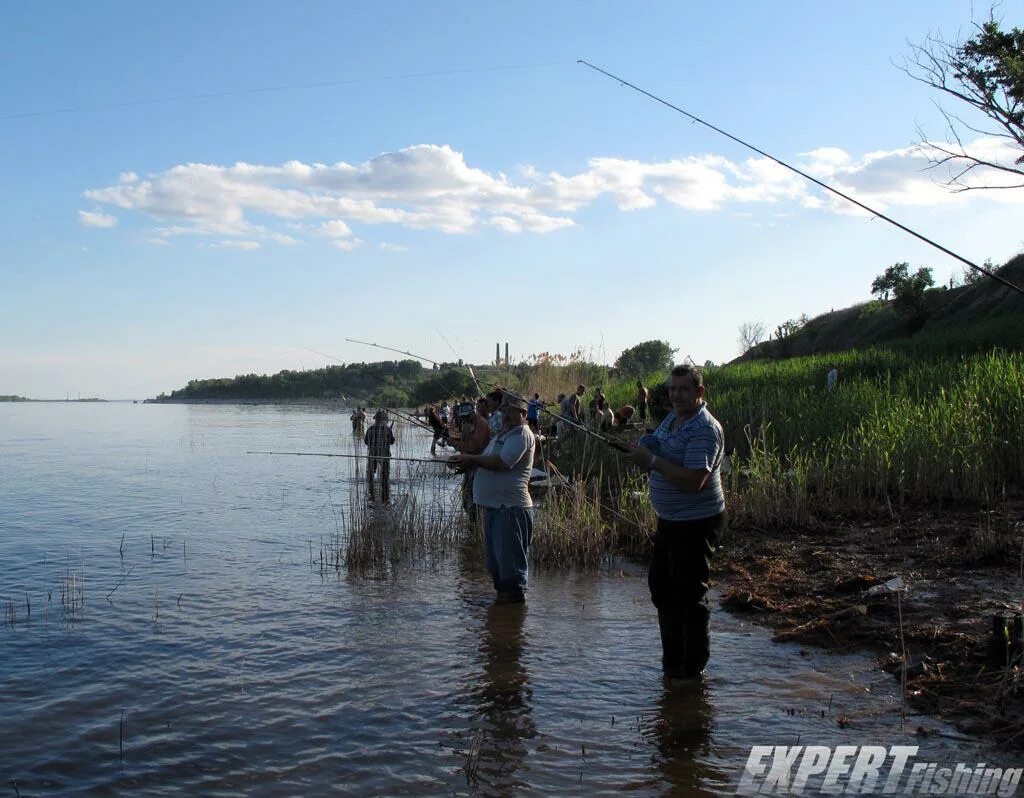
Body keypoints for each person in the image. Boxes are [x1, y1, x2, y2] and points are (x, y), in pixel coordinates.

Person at [625, 365, 725, 680]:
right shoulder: (672, 418)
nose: (676, 395)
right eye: (672, 389)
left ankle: (693, 670)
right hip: (669, 519)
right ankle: (672, 664)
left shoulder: (704, 429)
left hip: (697, 521)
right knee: (662, 588)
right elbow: (660, 443)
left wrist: (652, 461)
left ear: (699, 393)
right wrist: (648, 446)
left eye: (683, 389)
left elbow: (695, 480)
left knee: (688, 594)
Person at [452, 393, 536, 603]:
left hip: (511, 510)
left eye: (511, 411)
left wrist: (472, 459)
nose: (506, 415)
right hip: (495, 509)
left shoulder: (521, 435)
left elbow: (502, 463)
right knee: (496, 569)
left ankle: (513, 625)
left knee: (511, 576)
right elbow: (486, 459)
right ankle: (502, 627)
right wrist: (467, 463)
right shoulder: (502, 436)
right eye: (504, 410)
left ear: (523, 413)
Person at [364, 410, 396, 504]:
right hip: (384, 455)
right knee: (385, 475)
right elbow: (392, 442)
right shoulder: (387, 429)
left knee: (370, 475)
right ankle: (385, 498)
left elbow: (366, 442)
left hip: (372, 454)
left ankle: (371, 495)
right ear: (383, 419)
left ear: (376, 419)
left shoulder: (370, 429)